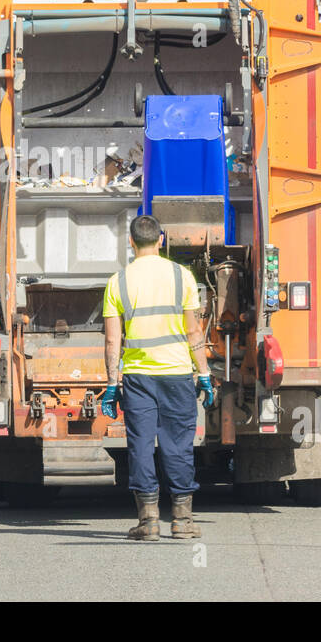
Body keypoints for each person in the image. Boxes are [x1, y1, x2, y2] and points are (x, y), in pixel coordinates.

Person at [99, 214, 215, 541]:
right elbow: (193, 330)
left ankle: (148, 521)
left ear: (131, 242)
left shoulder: (118, 282)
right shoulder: (183, 277)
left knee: (139, 444)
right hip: (177, 374)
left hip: (137, 377)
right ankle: (182, 520)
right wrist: (203, 373)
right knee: (177, 445)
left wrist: (111, 384)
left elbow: (112, 340)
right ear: (161, 240)